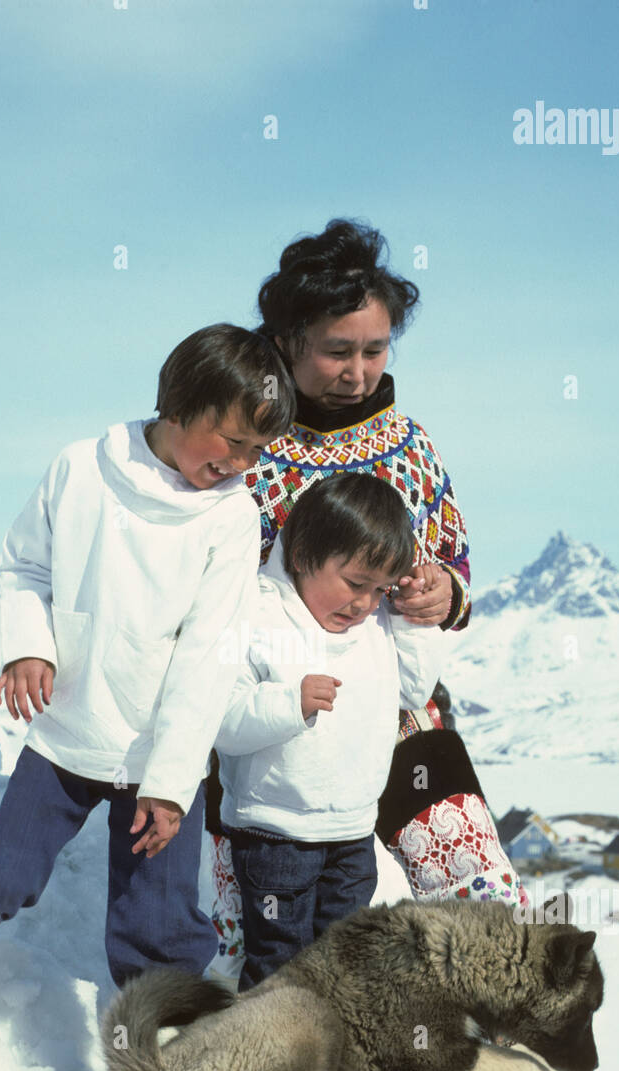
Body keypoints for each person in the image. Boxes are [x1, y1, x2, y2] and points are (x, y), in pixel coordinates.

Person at [0, 324, 295, 1024]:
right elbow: (26, 565)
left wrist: (172, 785)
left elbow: (211, 653)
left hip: (160, 758)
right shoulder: (82, 469)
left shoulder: (232, 519)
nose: (241, 462)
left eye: (257, 451)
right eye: (231, 441)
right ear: (178, 406)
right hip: (66, 738)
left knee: (158, 926)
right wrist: (31, 647)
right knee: (2, 877)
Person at [208, 220, 524, 976]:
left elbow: (453, 566)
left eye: (373, 350)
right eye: (336, 350)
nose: (356, 371)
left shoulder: (410, 446)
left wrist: (441, 593)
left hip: (395, 698)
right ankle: (261, 1060)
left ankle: (493, 1046)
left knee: (471, 880)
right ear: (286, 339)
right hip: (270, 702)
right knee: (255, 930)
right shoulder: (243, 444)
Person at [215, 473, 443, 986]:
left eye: (379, 588)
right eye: (355, 583)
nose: (365, 603)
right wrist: (288, 705)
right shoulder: (256, 613)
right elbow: (223, 720)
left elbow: (413, 688)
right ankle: (268, 1059)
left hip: (353, 835)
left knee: (342, 968)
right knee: (281, 963)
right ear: (301, 556)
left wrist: (409, 619)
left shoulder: (378, 623)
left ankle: (329, 1060)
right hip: (275, 835)